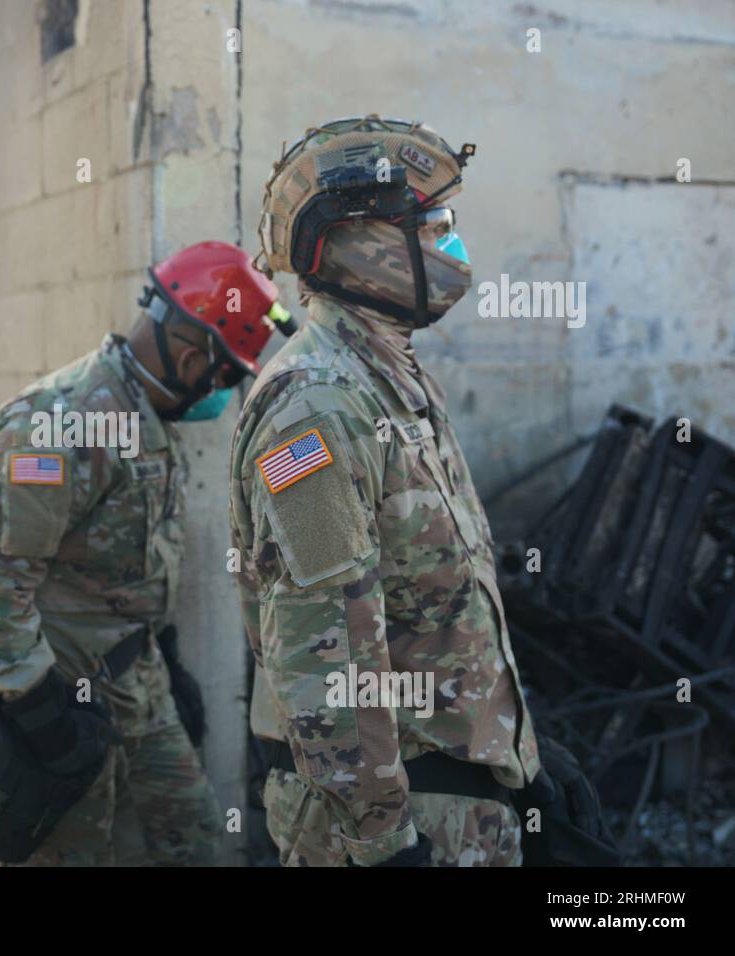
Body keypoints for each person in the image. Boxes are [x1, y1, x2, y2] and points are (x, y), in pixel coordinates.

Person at [230, 116, 541, 866]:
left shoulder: (389, 379)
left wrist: (522, 768)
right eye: (428, 224)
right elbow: (323, 646)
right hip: (394, 825)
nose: (447, 244)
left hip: (457, 803)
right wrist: (381, 842)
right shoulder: (318, 408)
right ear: (355, 242)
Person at [0, 242, 290, 866]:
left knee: (197, 845)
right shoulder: (65, 422)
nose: (224, 393)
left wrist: (159, 647)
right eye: (229, 375)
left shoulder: (145, 413)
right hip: (48, 701)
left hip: (133, 683)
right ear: (193, 356)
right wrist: (36, 706)